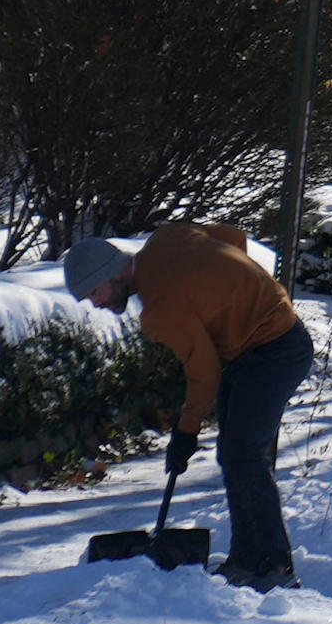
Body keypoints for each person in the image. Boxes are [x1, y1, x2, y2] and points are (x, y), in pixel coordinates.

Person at [65, 224, 313, 590]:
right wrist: (234, 296)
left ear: (111, 274)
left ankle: (275, 565)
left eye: (93, 293)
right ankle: (245, 559)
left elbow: (204, 372)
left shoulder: (160, 307)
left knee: (244, 455)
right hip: (262, 345)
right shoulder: (167, 239)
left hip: (274, 350)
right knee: (233, 455)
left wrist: (186, 431)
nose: (96, 303)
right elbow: (232, 239)